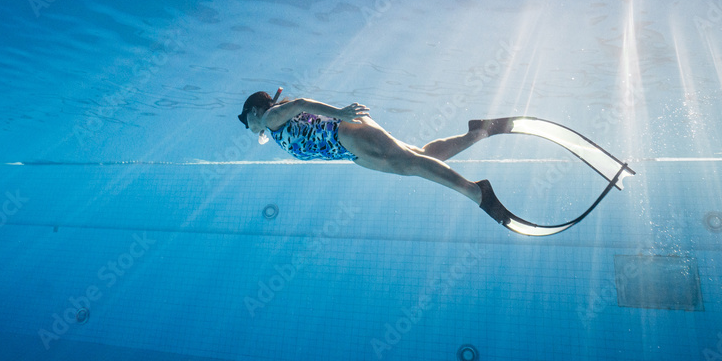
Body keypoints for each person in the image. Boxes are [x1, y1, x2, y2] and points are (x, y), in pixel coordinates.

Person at [237, 88, 634, 235]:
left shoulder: (272, 115)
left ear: (257, 109)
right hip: (347, 149)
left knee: (410, 163)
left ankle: (476, 193)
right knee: (420, 158)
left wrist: (340, 113)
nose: (250, 125)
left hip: (346, 133)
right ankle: (479, 131)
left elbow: (305, 104)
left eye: (247, 117)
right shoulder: (271, 126)